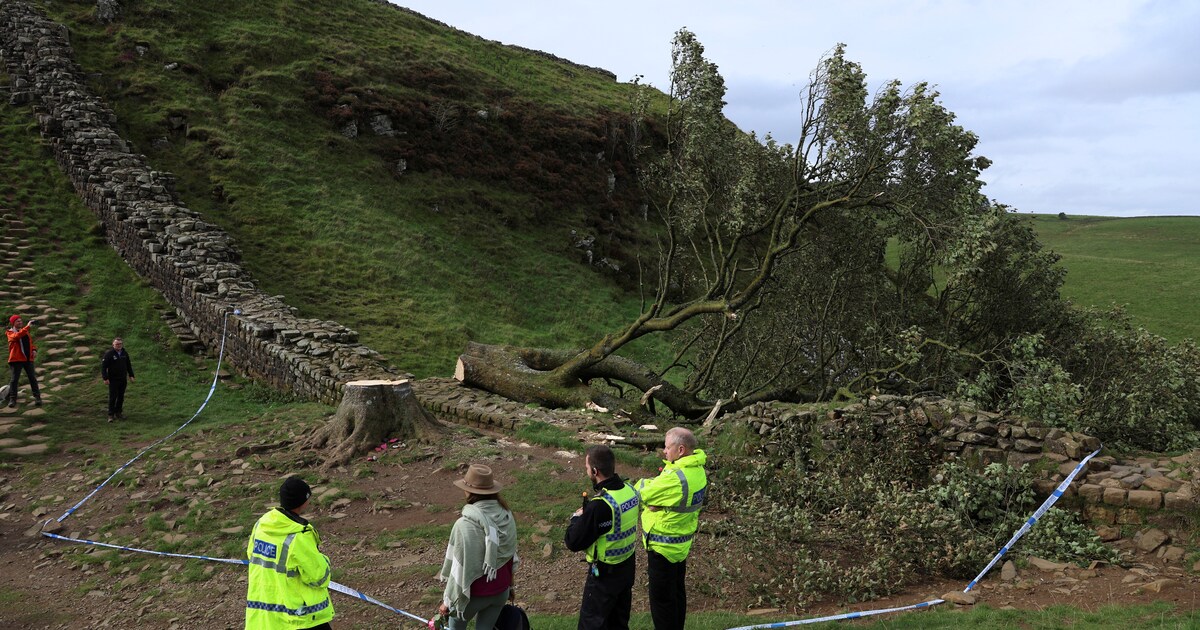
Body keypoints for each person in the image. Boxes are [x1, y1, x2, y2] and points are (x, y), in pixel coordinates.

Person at [635, 427, 708, 630]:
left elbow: (643, 492)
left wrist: (647, 487)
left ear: (681, 449)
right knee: (677, 596)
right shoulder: (697, 470)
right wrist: (658, 496)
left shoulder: (677, 477)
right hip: (681, 545)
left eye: (667, 448)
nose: (664, 452)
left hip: (662, 546)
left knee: (662, 604)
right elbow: (657, 491)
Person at [565, 445, 640, 630]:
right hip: (627, 567)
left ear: (595, 471)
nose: (586, 470)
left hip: (604, 575)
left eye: (586, 467)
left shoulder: (600, 506)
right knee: (618, 622)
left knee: (592, 623)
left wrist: (577, 518)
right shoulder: (630, 491)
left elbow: (573, 542)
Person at [246, 476, 334, 630]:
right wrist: (324, 561)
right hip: (298, 617)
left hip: (266, 614)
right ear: (304, 501)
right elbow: (318, 576)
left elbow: (251, 555)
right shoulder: (299, 535)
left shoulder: (261, 524)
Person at [437, 464, 519, 630]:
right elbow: (510, 556)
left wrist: (447, 602)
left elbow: (458, 569)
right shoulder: (506, 515)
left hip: (472, 595)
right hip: (500, 591)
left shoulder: (463, 525)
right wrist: (510, 587)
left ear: (468, 491)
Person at [6, 314, 41, 408]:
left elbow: (30, 342)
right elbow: (16, 337)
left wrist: (34, 350)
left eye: (21, 321)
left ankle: (37, 398)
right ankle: (12, 399)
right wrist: (27, 326)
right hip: (16, 359)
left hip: (27, 359)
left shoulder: (24, 331)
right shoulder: (10, 333)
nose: (20, 322)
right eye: (17, 321)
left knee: (32, 378)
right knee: (14, 380)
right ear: (13, 323)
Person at [100, 337, 135, 421]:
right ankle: (110, 415)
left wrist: (131, 375)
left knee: (121, 396)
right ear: (113, 345)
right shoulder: (109, 354)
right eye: (117, 344)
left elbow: (128, 365)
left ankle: (118, 412)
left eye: (120, 344)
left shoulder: (124, 353)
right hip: (113, 379)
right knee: (113, 397)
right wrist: (105, 378)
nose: (119, 345)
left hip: (123, 379)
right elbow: (103, 367)